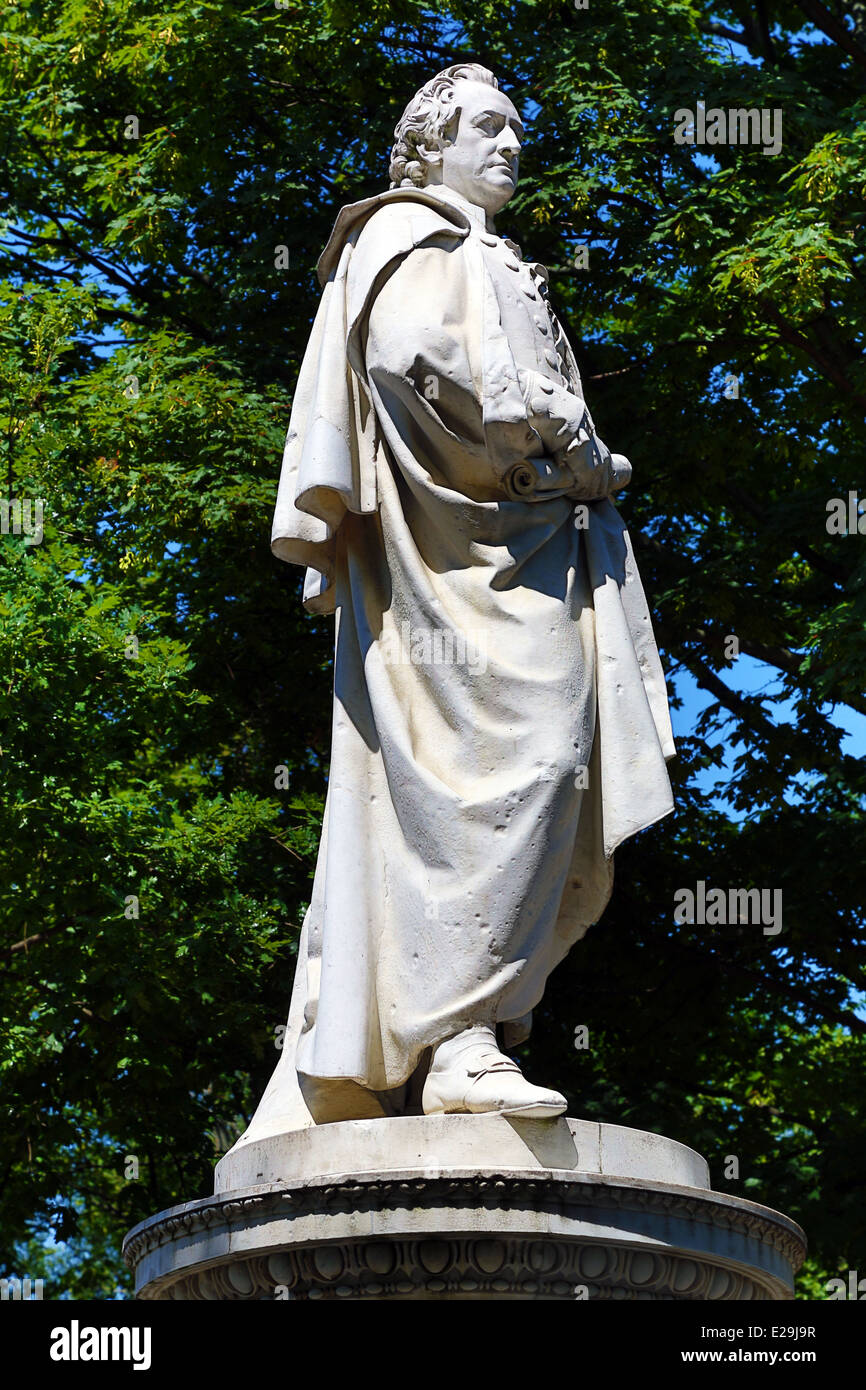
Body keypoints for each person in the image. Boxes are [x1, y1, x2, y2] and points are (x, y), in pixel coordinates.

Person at [239, 63, 675, 1141]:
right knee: (505, 767)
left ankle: (464, 1028)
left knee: (545, 769)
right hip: (457, 570)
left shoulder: (482, 251)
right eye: (485, 127)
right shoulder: (408, 239)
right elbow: (421, 367)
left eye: (517, 129)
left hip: (524, 555)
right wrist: (567, 448)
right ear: (426, 145)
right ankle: (456, 1040)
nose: (509, 145)